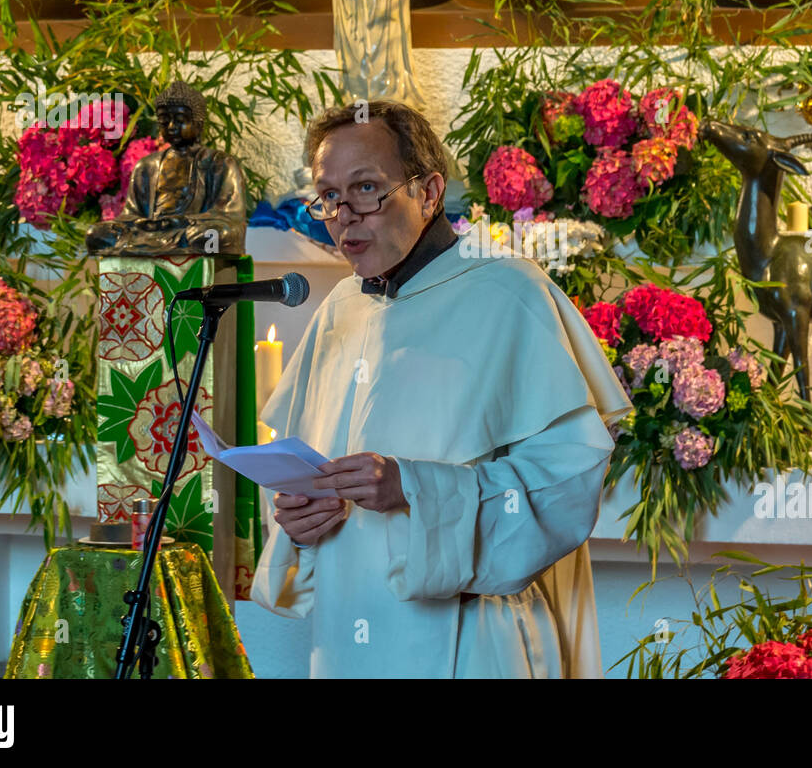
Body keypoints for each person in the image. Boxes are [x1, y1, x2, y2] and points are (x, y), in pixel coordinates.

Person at [249, 100, 632, 677]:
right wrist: (300, 520)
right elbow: (304, 472)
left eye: (367, 188)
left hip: (471, 639)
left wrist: (416, 488)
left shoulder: (508, 292)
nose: (343, 216)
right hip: (347, 634)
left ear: (428, 191)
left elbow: (568, 487)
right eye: (328, 195)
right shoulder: (340, 310)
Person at [85, 80, 247, 256]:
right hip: (150, 233)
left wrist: (183, 222)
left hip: (190, 232)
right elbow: (130, 214)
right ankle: (155, 246)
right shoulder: (147, 166)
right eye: (164, 121)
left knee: (214, 236)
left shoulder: (219, 163)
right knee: (96, 235)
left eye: (179, 120)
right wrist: (141, 223)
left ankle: (161, 245)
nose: (171, 127)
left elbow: (231, 216)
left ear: (199, 124)